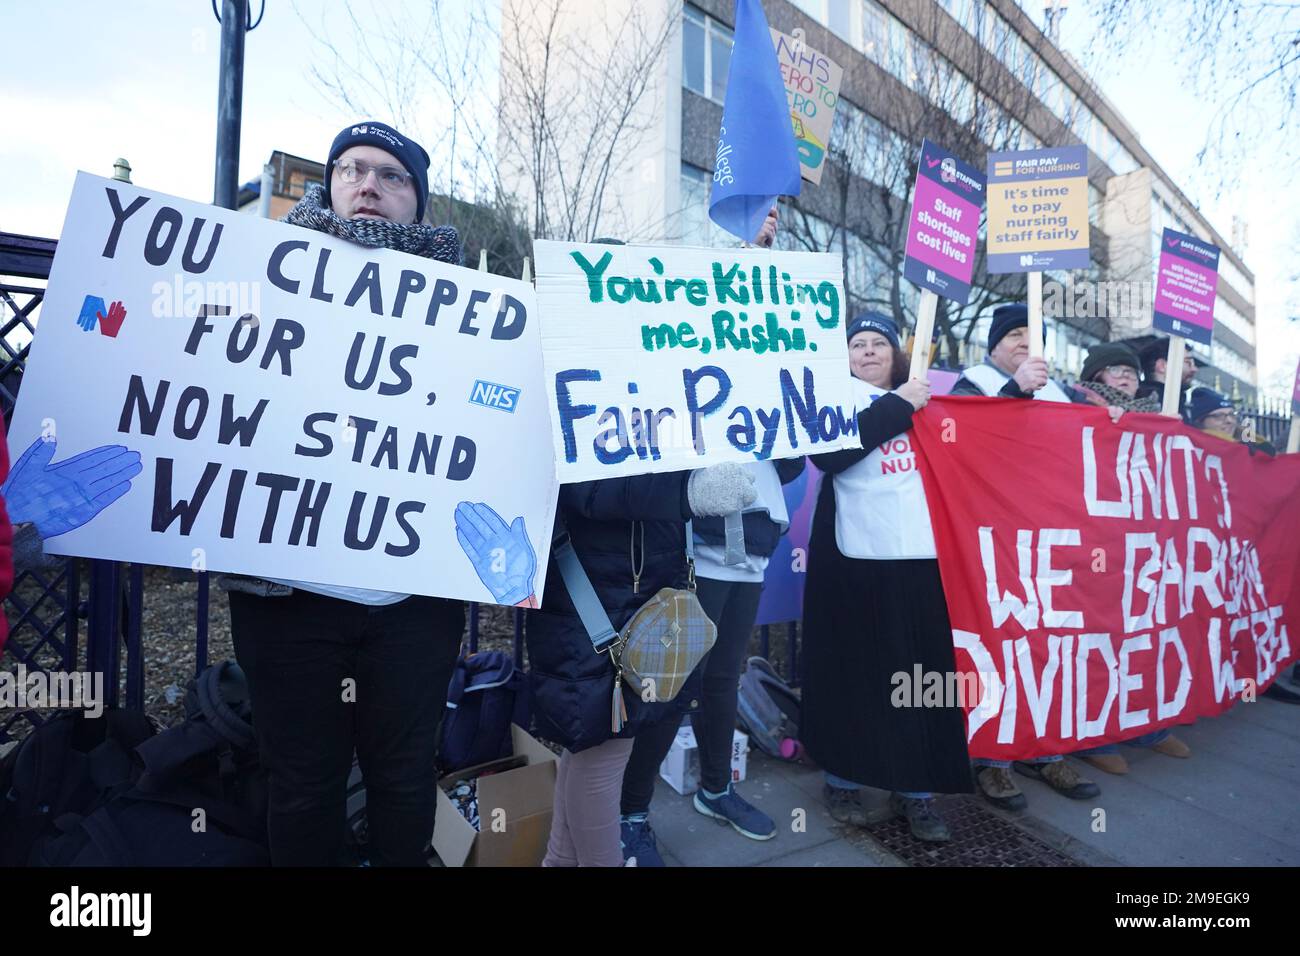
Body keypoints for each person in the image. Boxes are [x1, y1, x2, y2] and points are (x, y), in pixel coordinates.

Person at [222, 121, 467, 867]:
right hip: (284, 600)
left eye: (391, 176)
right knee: (301, 784)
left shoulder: (474, 314)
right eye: (351, 169)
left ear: (417, 204)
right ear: (327, 187)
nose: (368, 184)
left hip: (412, 605)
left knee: (402, 779)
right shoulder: (259, 282)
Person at [528, 462, 757, 866]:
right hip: (595, 589)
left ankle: (560, 860)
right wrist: (685, 493)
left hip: (633, 587)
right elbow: (585, 483)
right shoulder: (581, 402)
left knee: (592, 748)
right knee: (600, 752)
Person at [801, 312, 970, 843]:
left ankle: (918, 790)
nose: (869, 351)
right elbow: (830, 453)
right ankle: (843, 779)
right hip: (852, 568)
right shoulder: (831, 400)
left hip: (921, 567)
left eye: (879, 343)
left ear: (898, 356)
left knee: (922, 682)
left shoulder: (929, 403)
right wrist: (899, 407)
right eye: (858, 344)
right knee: (854, 675)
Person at [949, 304, 1102, 811]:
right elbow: (966, 442)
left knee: (1051, 646)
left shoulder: (1061, 393)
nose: (1023, 341)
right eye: (1013, 333)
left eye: (1031, 334)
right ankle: (993, 760)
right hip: (995, 541)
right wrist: (1015, 390)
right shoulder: (969, 385)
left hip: (1051, 540)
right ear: (994, 345)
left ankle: (1046, 747)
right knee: (1003, 645)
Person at [949, 304, 1079, 402]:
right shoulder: (973, 381)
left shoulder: (1060, 390)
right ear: (994, 347)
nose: (1027, 343)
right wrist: (1014, 391)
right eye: (1015, 335)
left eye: (1036, 337)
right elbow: (963, 427)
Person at [1071, 342, 1161, 414]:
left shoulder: (1154, 411)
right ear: (1096, 376)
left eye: (1131, 371)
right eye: (1115, 370)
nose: (1126, 375)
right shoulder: (1075, 406)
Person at [1136, 337, 1198, 419]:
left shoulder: (1182, 402)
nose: (1194, 369)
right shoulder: (1147, 403)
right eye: (1187, 362)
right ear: (1162, 366)